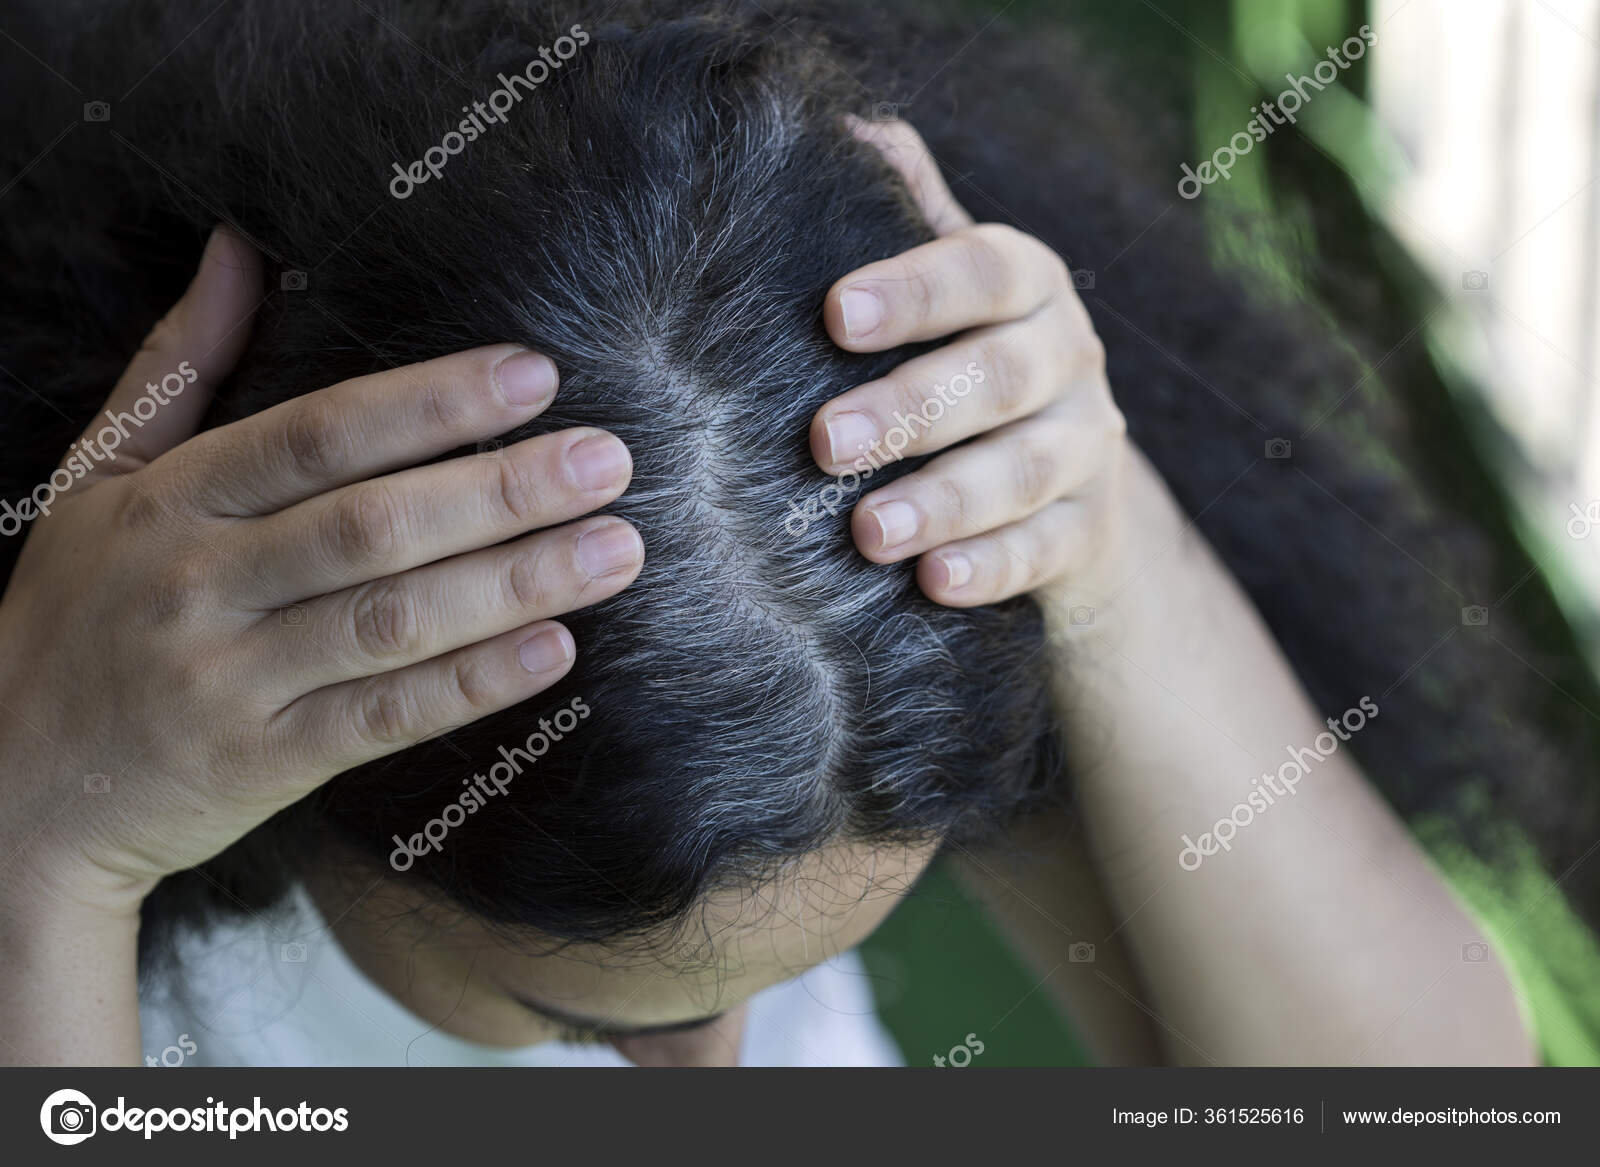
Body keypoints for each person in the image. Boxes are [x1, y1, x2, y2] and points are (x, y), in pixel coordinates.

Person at [0, 0, 1571, 1066]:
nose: (724, 1078)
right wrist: (45, 847)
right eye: (569, 1007)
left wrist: (1089, 511)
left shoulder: (818, 683)